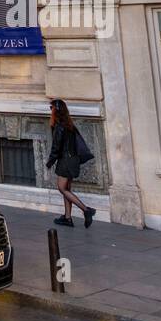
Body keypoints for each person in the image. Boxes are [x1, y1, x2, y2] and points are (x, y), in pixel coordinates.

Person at [46, 98, 96, 228]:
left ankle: (86, 210)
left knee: (62, 188)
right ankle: (67, 218)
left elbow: (56, 147)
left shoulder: (59, 126)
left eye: (51, 108)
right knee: (67, 189)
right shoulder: (69, 125)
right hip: (73, 160)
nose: (50, 111)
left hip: (66, 161)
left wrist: (50, 162)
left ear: (56, 111)